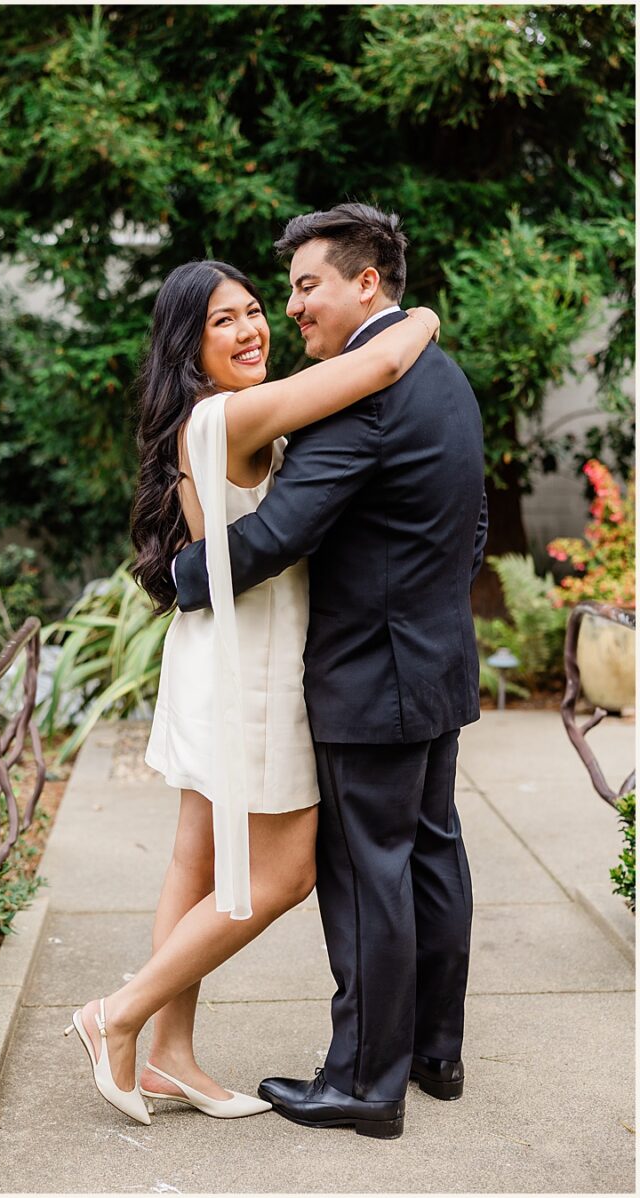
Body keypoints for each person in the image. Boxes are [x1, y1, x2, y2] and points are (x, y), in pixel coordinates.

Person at [67, 220, 454, 1134]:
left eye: (255, 311)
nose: (253, 330)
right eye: (224, 323)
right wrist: (421, 313)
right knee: (279, 875)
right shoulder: (229, 415)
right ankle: (114, 1016)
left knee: (193, 861)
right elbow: (370, 371)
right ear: (188, 348)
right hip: (256, 674)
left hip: (218, 659)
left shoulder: (221, 412)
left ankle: (170, 1055)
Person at [167, 204, 487, 1139]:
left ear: (366, 285)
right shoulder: (442, 372)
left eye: (306, 286)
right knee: (432, 854)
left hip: (369, 678)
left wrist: (180, 577)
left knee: (367, 875)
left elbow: (274, 534)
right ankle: (434, 1051)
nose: (294, 307)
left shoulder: (368, 395)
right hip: (433, 662)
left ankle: (363, 1082)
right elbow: (470, 524)